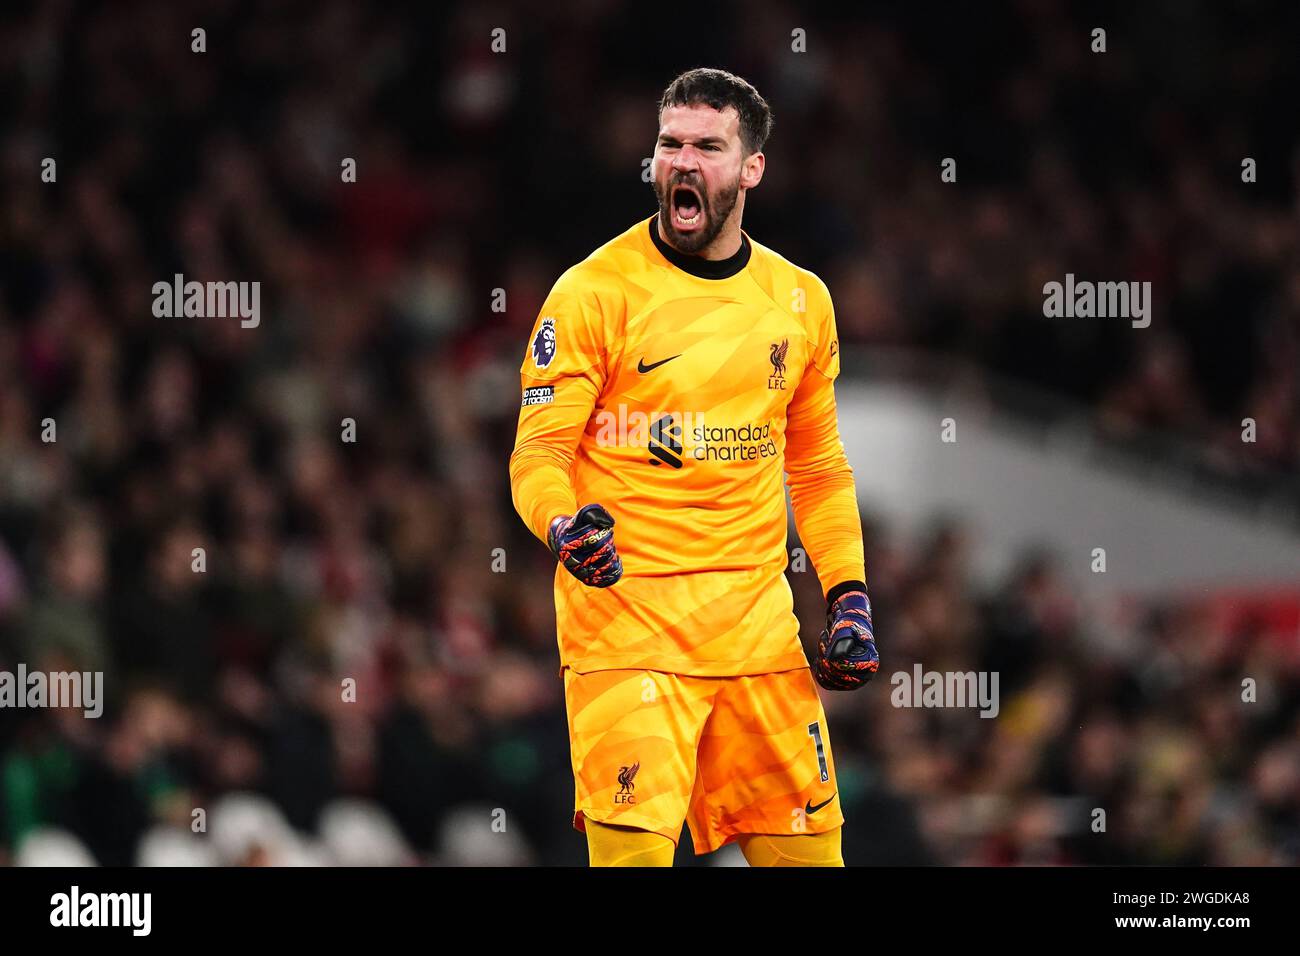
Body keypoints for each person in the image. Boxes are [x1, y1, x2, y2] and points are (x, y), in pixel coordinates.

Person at [508, 68, 878, 867]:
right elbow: (538, 453)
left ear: (751, 168)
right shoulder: (592, 293)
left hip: (759, 636)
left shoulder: (801, 302)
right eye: (669, 144)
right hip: (627, 631)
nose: (682, 161)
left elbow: (817, 466)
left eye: (708, 146)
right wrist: (566, 528)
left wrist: (847, 597)